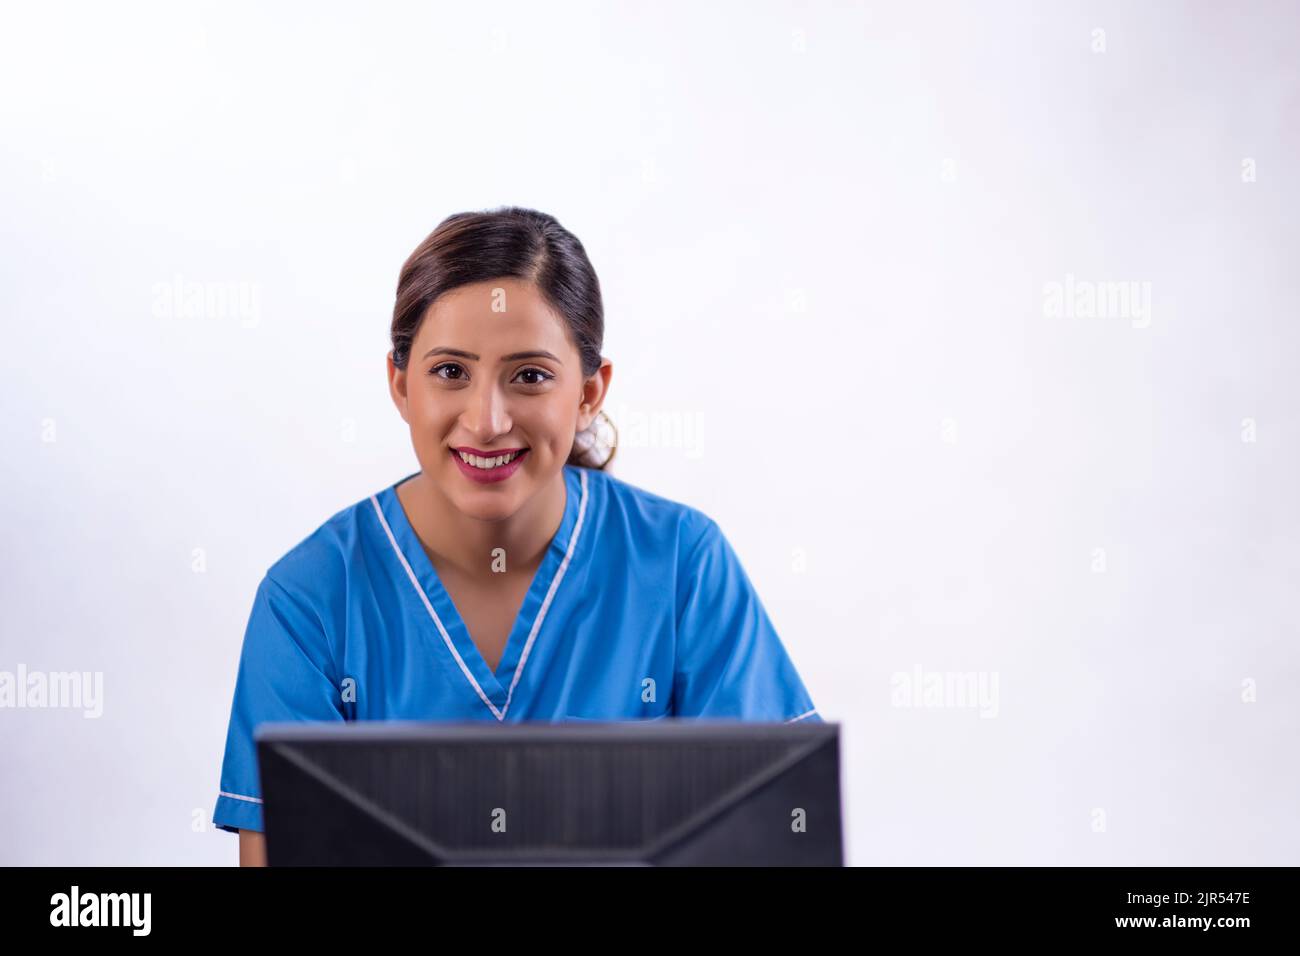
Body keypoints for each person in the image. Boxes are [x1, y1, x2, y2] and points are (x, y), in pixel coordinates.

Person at [212, 206, 821, 866]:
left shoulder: (682, 566)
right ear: (399, 385)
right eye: (450, 372)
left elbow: (779, 837)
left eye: (529, 376)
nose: (487, 420)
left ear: (589, 393)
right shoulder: (309, 602)